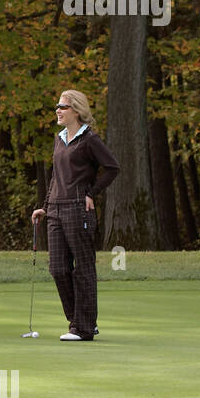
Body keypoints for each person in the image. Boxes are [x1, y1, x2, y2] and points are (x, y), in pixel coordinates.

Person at [31, 89, 120, 342]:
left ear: (77, 111)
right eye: (57, 106)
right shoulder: (59, 139)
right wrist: (45, 206)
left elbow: (112, 168)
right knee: (58, 269)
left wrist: (91, 193)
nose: (57, 110)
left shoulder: (89, 139)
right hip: (56, 210)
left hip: (78, 209)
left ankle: (83, 327)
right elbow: (56, 178)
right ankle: (79, 321)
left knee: (83, 269)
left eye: (63, 107)